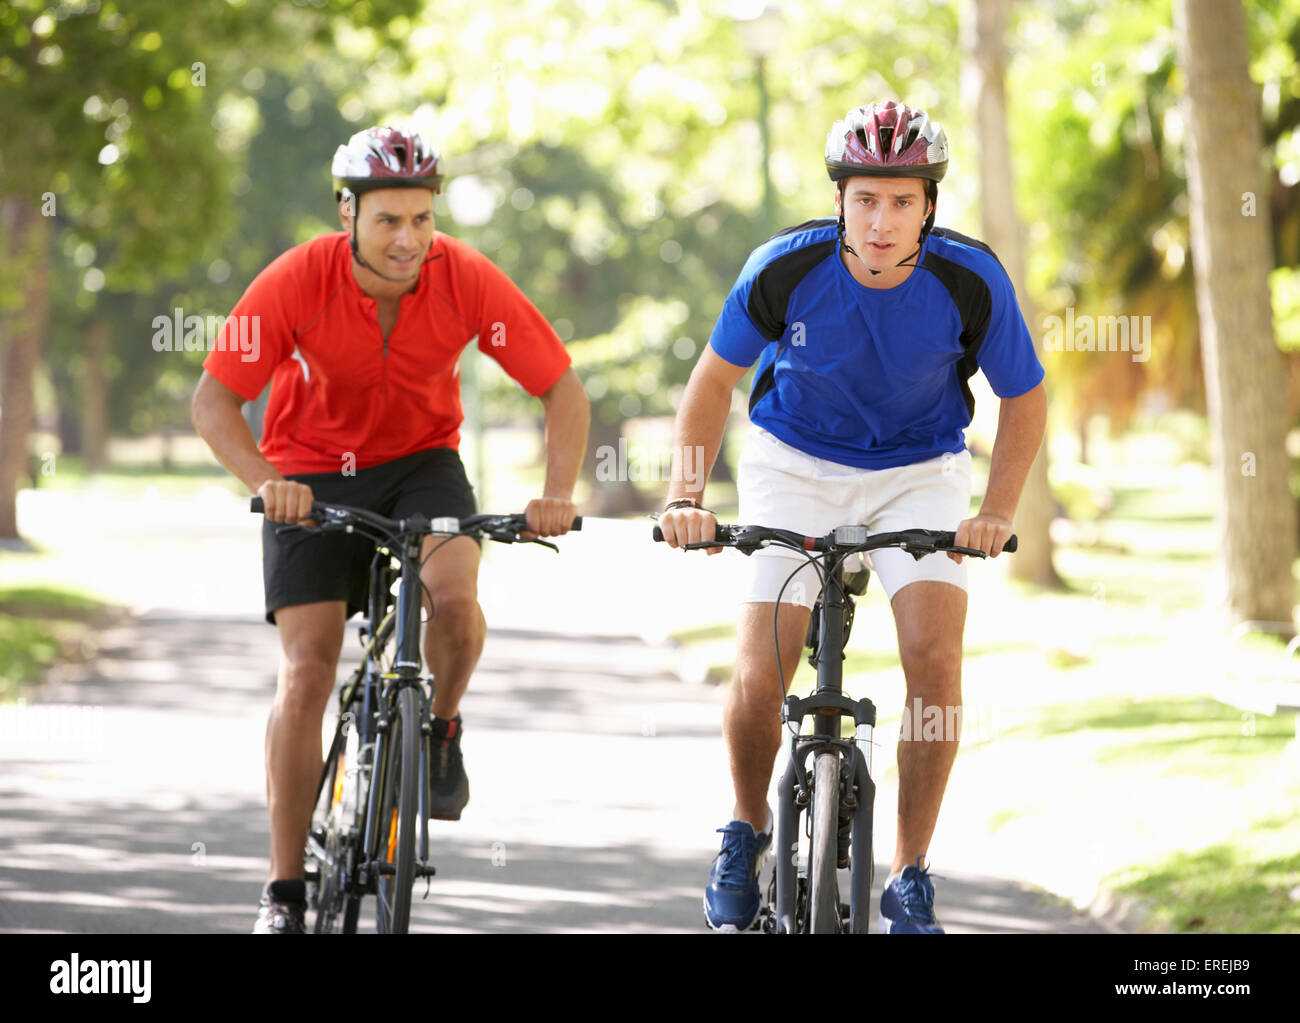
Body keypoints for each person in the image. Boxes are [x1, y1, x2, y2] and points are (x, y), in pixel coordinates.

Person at [658, 101, 1046, 933]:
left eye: (902, 202)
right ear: (839, 199)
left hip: (920, 470)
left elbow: (1025, 396)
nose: (881, 220)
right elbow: (711, 383)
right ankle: (745, 825)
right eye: (865, 198)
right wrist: (686, 497)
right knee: (765, 667)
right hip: (793, 463)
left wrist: (996, 509)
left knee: (935, 661)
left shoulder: (969, 279)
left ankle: (909, 875)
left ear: (929, 207)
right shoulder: (783, 268)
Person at [191, 126, 589, 934]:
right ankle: (283, 888)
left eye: (421, 219)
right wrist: (270, 484)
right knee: (306, 671)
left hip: (421, 462)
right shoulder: (297, 279)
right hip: (308, 470)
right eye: (388, 222)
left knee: (455, 598)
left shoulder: (464, 278)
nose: (408, 239)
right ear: (348, 213)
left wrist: (555, 492)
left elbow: (562, 388)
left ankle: (438, 727)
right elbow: (212, 400)